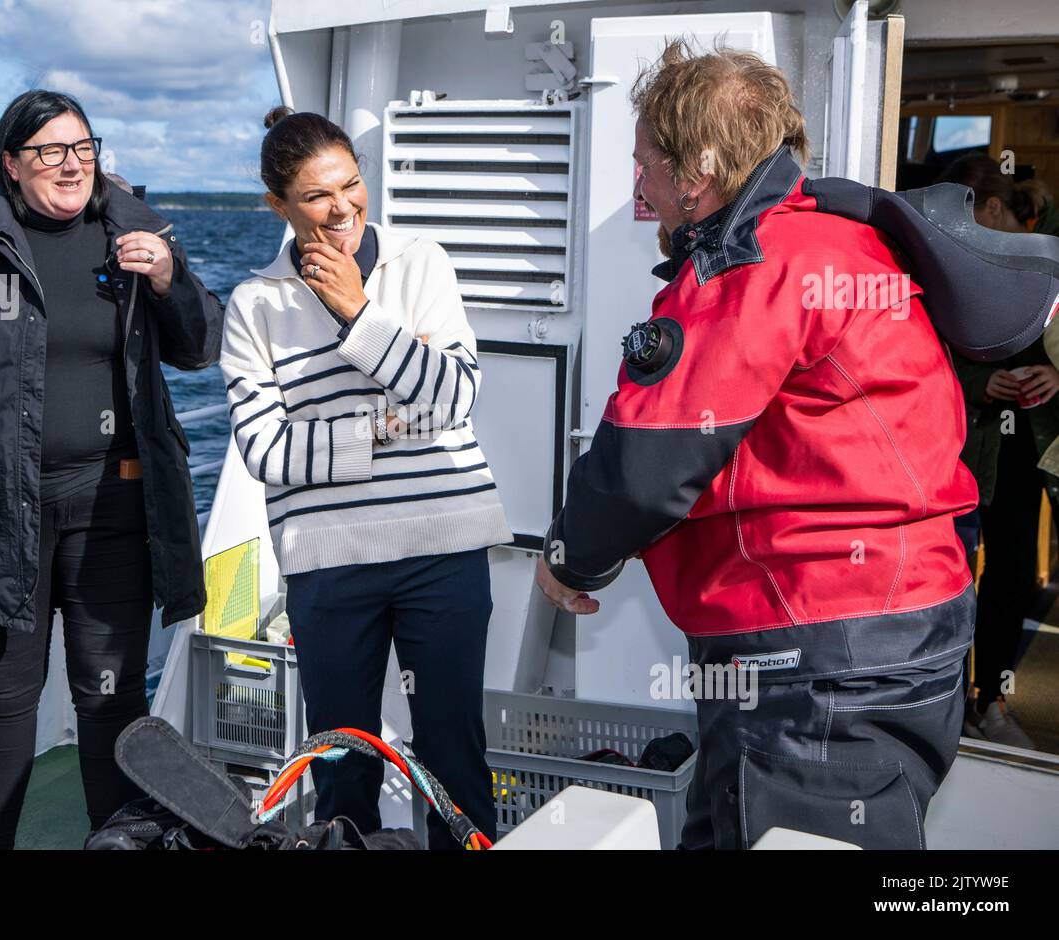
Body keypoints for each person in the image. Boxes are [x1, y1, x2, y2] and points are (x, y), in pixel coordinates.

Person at [535, 40, 977, 849]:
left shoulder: (747, 268)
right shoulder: (844, 242)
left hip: (815, 656)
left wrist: (567, 557)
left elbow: (645, 468)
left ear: (694, 175)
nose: (642, 189)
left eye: (647, 167)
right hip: (903, 634)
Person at [0, 89, 224, 848]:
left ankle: (116, 846)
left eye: (83, 147)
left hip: (116, 507)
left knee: (111, 699)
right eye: (50, 151)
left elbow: (200, 346)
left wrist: (169, 278)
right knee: (0, 698)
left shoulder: (135, 230)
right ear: (10, 162)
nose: (71, 165)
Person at [219, 106, 512, 849]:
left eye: (352, 185)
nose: (342, 207)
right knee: (342, 770)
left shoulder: (422, 263)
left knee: (454, 757)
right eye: (317, 196)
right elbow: (262, 449)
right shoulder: (255, 305)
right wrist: (376, 427)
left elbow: (453, 398)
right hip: (329, 560)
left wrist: (358, 315)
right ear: (277, 206)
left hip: (441, 550)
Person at [941, 155, 1058, 749]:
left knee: (1010, 575)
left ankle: (991, 699)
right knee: (952, 577)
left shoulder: (1047, 259)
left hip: (1025, 449)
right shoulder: (949, 263)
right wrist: (978, 382)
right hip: (961, 443)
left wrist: (1055, 376)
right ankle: (946, 705)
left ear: (990, 208)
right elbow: (929, 347)